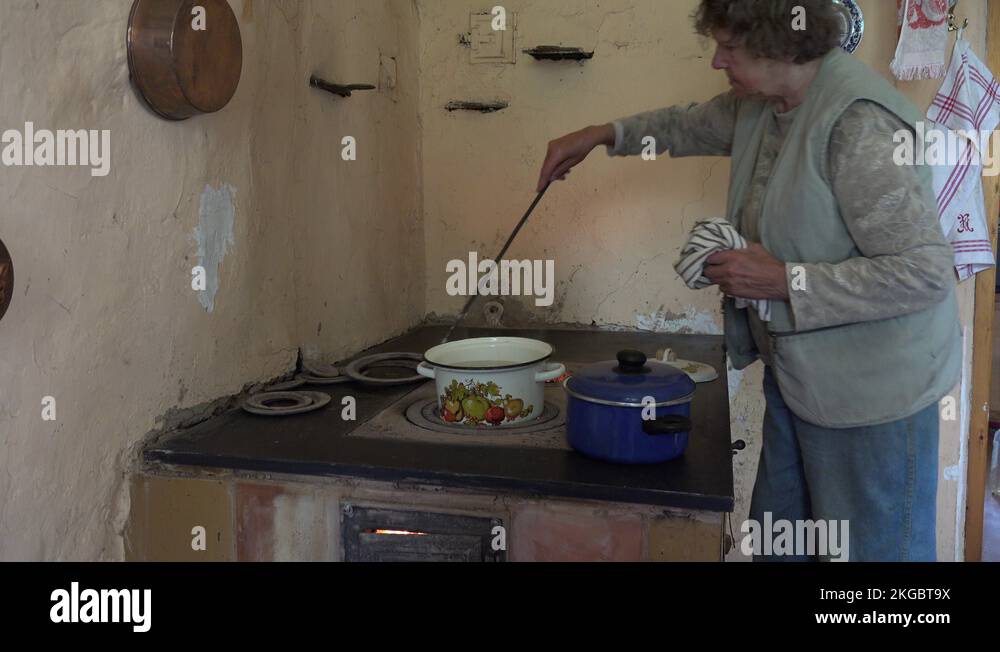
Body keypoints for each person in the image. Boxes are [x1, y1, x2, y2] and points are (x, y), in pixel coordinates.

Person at [537, 0, 962, 561]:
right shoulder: (762, 104)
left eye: (729, 48)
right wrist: (597, 135)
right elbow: (683, 125)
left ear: (781, 43)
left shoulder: (860, 123)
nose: (716, 62)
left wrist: (787, 281)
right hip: (797, 379)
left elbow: (925, 273)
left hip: (873, 400)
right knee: (782, 545)